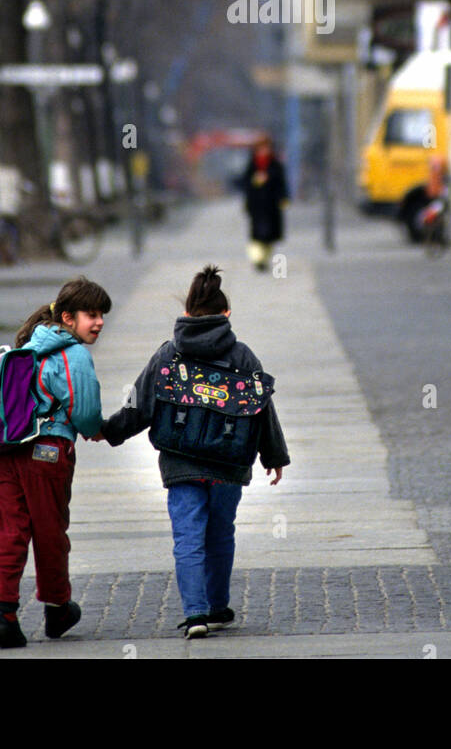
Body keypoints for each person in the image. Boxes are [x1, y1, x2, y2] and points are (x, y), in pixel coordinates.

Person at [98, 264, 289, 638]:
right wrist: (274, 457)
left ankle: (196, 614)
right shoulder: (243, 357)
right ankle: (218, 607)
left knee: (188, 537)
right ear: (227, 314)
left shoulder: (167, 355)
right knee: (220, 535)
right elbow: (262, 409)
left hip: (180, 460)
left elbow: (140, 406)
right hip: (228, 463)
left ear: (186, 314)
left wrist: (108, 431)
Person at [0, 275, 111, 649]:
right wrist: (96, 430)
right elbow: (86, 412)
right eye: (92, 314)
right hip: (48, 452)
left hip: (9, 451)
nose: (100, 322)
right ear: (68, 318)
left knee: (11, 530)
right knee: (50, 530)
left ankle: (2, 612)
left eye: (102, 314)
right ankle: (57, 608)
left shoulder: (24, 346)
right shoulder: (73, 355)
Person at [239, 134, 289, 271]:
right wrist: (254, 181)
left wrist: (283, 198)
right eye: (261, 148)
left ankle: (265, 257)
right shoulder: (252, 165)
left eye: (266, 147)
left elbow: (281, 183)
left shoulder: (276, 164)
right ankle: (257, 259)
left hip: (271, 205)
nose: (263, 151)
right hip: (256, 205)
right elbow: (244, 183)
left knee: (269, 234)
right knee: (257, 233)